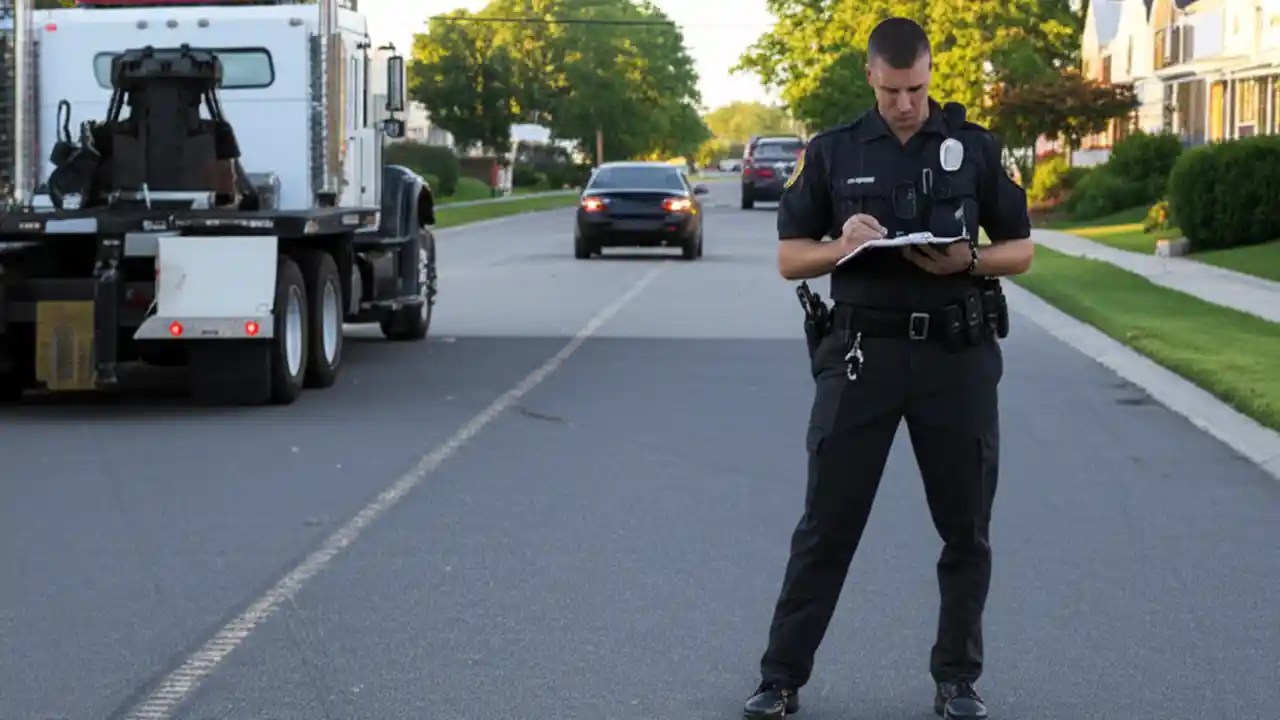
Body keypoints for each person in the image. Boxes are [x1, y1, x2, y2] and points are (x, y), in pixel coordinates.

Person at [742, 16, 1034, 720]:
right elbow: (789, 258)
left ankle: (957, 682)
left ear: (931, 76)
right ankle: (779, 680)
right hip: (861, 357)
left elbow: (1020, 249)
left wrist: (972, 259)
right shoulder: (836, 152)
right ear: (871, 75)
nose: (907, 103)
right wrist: (839, 244)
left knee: (966, 527)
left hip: (954, 358)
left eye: (918, 88)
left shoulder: (974, 147)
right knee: (826, 525)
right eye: (895, 89)